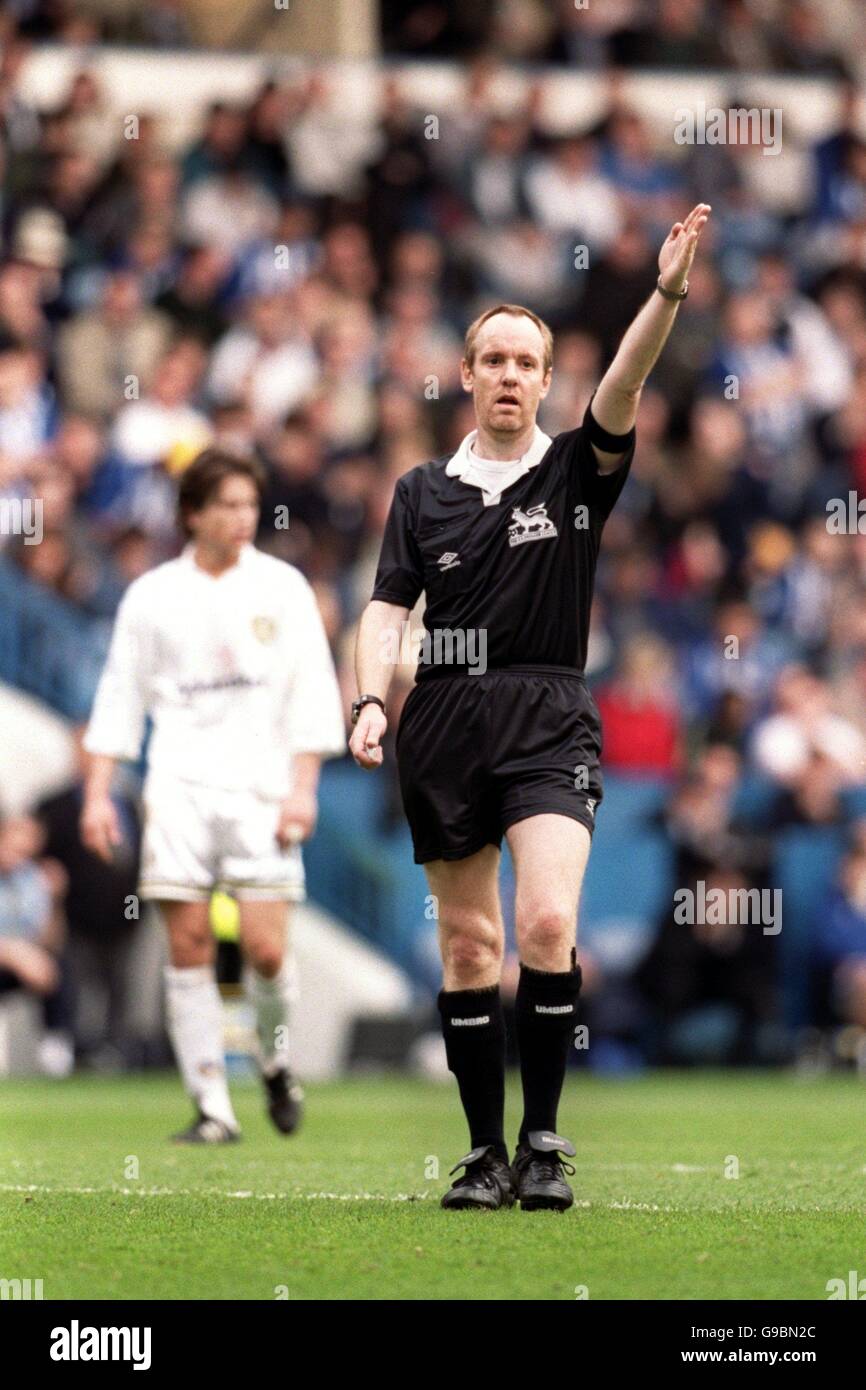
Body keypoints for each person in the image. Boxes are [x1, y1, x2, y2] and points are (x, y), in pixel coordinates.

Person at [350, 204, 711, 1211]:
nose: (509, 374)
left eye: (525, 361)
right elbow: (384, 609)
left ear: (547, 382)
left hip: (548, 710)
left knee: (547, 921)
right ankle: (479, 1151)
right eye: (492, 359)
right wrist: (370, 701)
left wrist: (667, 290)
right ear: (466, 376)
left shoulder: (572, 474)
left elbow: (628, 382)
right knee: (469, 945)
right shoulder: (420, 492)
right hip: (444, 722)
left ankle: (543, 1138)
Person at [80, 447, 345, 1142]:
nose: (241, 517)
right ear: (192, 513)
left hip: (262, 788)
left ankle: (276, 1062)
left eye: (249, 504)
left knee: (263, 952)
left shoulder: (284, 588)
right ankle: (211, 1107)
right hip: (178, 786)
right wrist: (99, 794)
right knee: (189, 944)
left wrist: (304, 788)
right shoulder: (152, 595)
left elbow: (312, 692)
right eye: (225, 505)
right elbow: (119, 695)